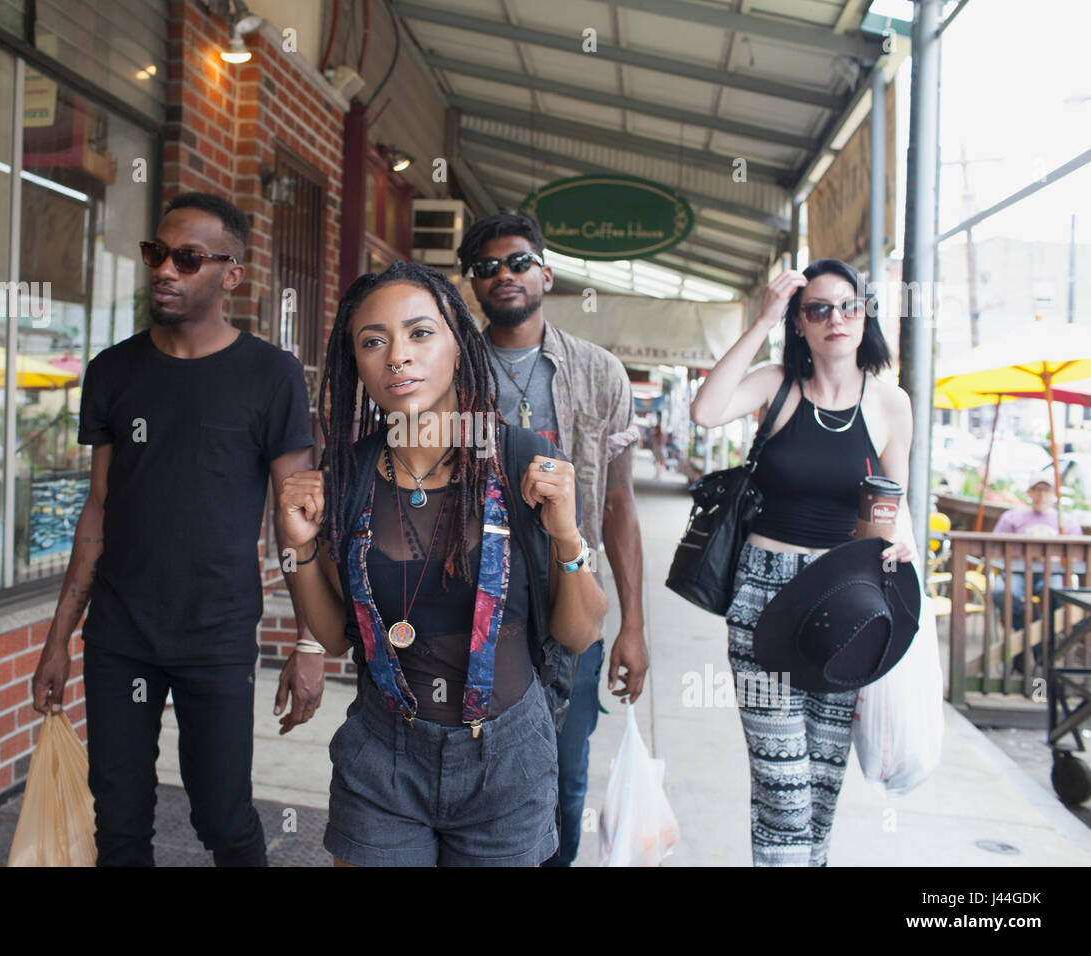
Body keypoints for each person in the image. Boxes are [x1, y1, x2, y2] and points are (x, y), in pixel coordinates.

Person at [278, 260, 607, 867]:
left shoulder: (522, 461)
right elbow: (330, 635)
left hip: (506, 759)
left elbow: (580, 632)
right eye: (373, 341)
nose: (397, 356)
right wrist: (297, 546)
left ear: (460, 343)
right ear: (358, 366)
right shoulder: (345, 478)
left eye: (419, 333)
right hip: (383, 755)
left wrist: (566, 535)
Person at [30, 192, 318, 866]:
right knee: (120, 823)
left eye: (187, 258)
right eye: (156, 253)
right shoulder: (113, 371)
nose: (165, 269)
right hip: (119, 634)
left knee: (222, 817)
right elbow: (98, 509)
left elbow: (295, 519)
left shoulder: (270, 375)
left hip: (215, 633)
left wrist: (308, 642)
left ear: (231, 275)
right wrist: (57, 638)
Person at [689, 257, 917, 867]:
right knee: (782, 791)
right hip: (764, 598)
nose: (835, 319)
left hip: (845, 602)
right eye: (817, 308)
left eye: (847, 305)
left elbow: (893, 507)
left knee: (818, 789)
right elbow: (705, 411)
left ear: (863, 314)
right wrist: (762, 317)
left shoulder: (891, 404)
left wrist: (902, 546)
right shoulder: (777, 385)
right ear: (800, 323)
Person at [457, 210, 648, 866]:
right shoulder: (447, 371)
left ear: (546, 272)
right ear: (472, 285)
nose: (503, 275)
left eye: (517, 262)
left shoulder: (599, 372)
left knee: (565, 781)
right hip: (470, 599)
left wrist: (633, 625)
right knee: (470, 775)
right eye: (486, 267)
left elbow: (619, 503)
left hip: (570, 594)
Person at [991, 467, 1082, 632]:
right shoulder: (1012, 517)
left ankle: (1044, 642)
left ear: (1054, 494)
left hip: (1052, 572)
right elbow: (996, 548)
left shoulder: (1067, 522)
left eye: (1047, 490)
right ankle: (1025, 634)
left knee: (1056, 594)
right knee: (1001, 592)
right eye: (1038, 490)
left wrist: (1055, 558)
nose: (1042, 495)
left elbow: (1077, 554)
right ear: (1029, 492)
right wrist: (1026, 555)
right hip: (1017, 571)